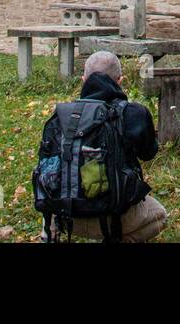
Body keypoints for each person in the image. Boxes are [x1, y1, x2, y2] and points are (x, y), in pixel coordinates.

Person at [38, 51, 167, 242]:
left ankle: (49, 230)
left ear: (83, 80)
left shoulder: (61, 116)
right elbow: (149, 153)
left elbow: (47, 168)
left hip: (66, 216)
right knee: (160, 216)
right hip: (114, 217)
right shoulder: (135, 113)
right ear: (120, 81)